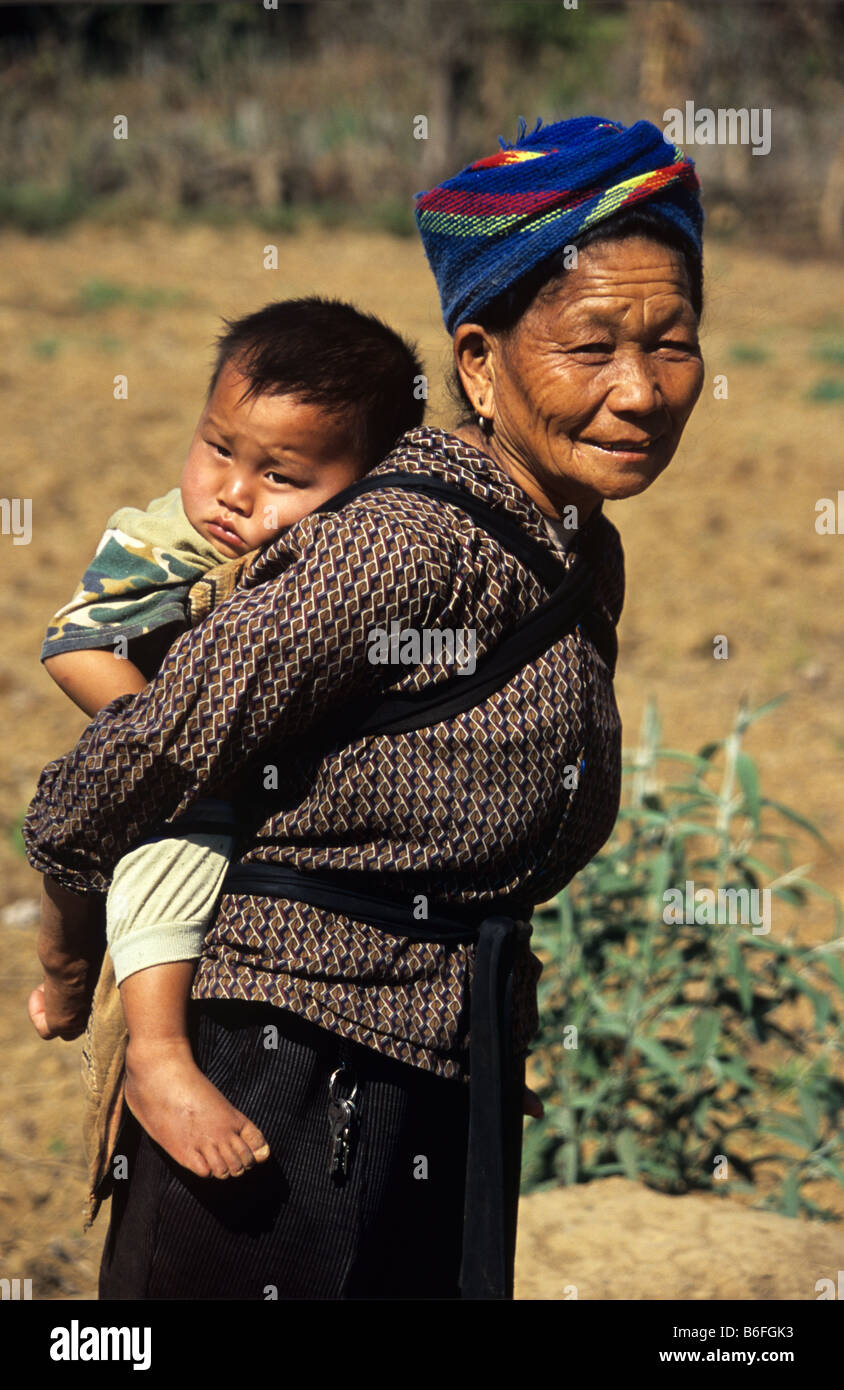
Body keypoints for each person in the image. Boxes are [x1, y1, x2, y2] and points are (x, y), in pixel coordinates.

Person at [23, 114, 705, 1301]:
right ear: (481, 362)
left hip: (443, 1060)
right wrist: (77, 944)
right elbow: (134, 757)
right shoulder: (398, 540)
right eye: (591, 345)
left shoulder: (577, 553)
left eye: (673, 342)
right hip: (286, 1074)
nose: (640, 390)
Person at [28, 297, 426, 1198]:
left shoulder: (346, 563)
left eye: (281, 475)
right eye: (218, 449)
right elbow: (74, 643)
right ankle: (155, 1054)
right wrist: (168, 740)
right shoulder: (167, 539)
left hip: (255, 787)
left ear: (367, 488)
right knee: (175, 859)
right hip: (169, 780)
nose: (234, 493)